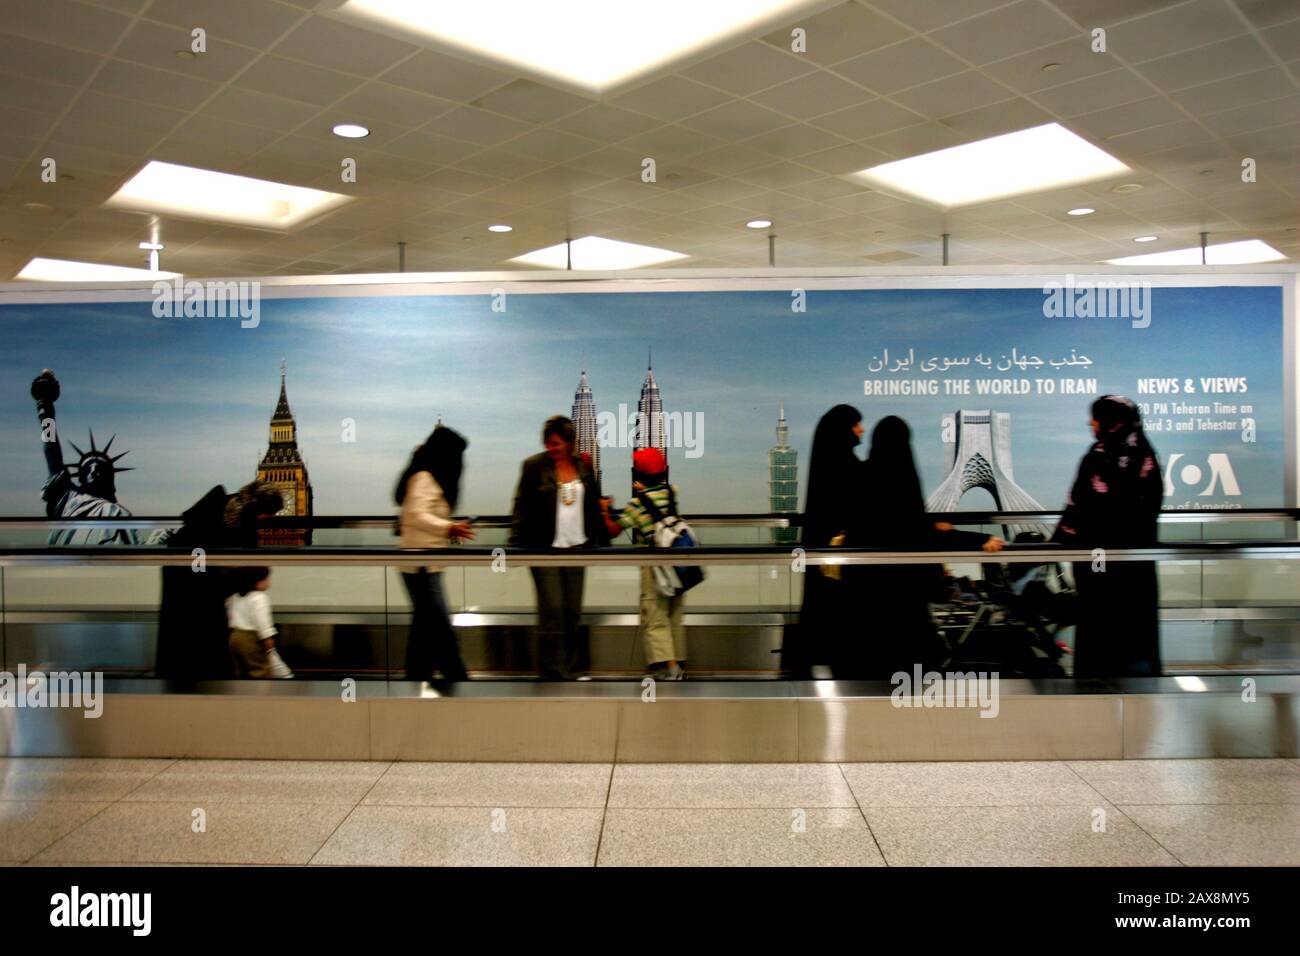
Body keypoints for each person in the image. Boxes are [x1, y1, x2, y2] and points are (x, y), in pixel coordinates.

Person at [840, 415, 1004, 679]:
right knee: (911, 676)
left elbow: (897, 526)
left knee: (869, 677)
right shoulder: (901, 477)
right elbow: (915, 533)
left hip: (863, 600)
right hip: (901, 602)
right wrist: (976, 539)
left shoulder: (861, 474)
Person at [1052, 395, 1163, 678]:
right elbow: (1146, 512)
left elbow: (1077, 510)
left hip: (1098, 568)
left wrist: (1054, 547)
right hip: (1136, 569)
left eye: (1097, 417)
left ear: (1110, 423)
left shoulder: (1097, 458)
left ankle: (1096, 690)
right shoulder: (1147, 458)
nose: (1091, 422)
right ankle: (1140, 691)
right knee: (1135, 631)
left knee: (1099, 629)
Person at [509, 416, 608, 680]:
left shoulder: (583, 467)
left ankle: (572, 668)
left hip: (577, 549)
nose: (551, 448)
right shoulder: (533, 466)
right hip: (544, 550)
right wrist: (515, 543)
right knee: (552, 610)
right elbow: (521, 504)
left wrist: (601, 538)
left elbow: (593, 504)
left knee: (572, 611)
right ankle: (553, 671)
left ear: (569, 443)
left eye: (556, 443)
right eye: (547, 443)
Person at [155, 480, 283, 680]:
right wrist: (238, 578)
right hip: (191, 607)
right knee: (195, 667)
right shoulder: (202, 527)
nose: (265, 525)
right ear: (255, 509)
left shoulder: (226, 518)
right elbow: (196, 570)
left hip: (206, 604)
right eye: (266, 517)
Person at [784, 404, 865, 678]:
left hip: (824, 558)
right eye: (856, 424)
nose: (860, 429)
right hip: (843, 561)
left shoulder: (826, 463)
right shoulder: (848, 464)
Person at [396, 426, 474, 684]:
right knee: (440, 629)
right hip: (421, 566)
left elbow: (419, 515)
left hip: (424, 565)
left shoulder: (425, 475)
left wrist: (447, 527)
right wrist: (448, 526)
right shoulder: (425, 477)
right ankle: (458, 681)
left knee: (424, 629)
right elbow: (415, 515)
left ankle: (416, 680)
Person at [601, 448, 687, 680]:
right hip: (678, 564)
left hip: (654, 566)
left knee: (655, 616)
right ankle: (679, 663)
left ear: (637, 473)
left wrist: (605, 510)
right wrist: (645, 490)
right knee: (674, 616)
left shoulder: (637, 505)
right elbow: (657, 498)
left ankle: (669, 668)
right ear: (663, 472)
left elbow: (614, 530)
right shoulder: (671, 492)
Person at [226, 567, 293, 679]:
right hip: (252, 637)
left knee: (242, 669)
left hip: (235, 637)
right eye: (266, 579)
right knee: (259, 669)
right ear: (257, 582)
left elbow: (230, 612)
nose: (269, 582)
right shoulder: (259, 598)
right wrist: (267, 637)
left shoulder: (234, 597)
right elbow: (262, 620)